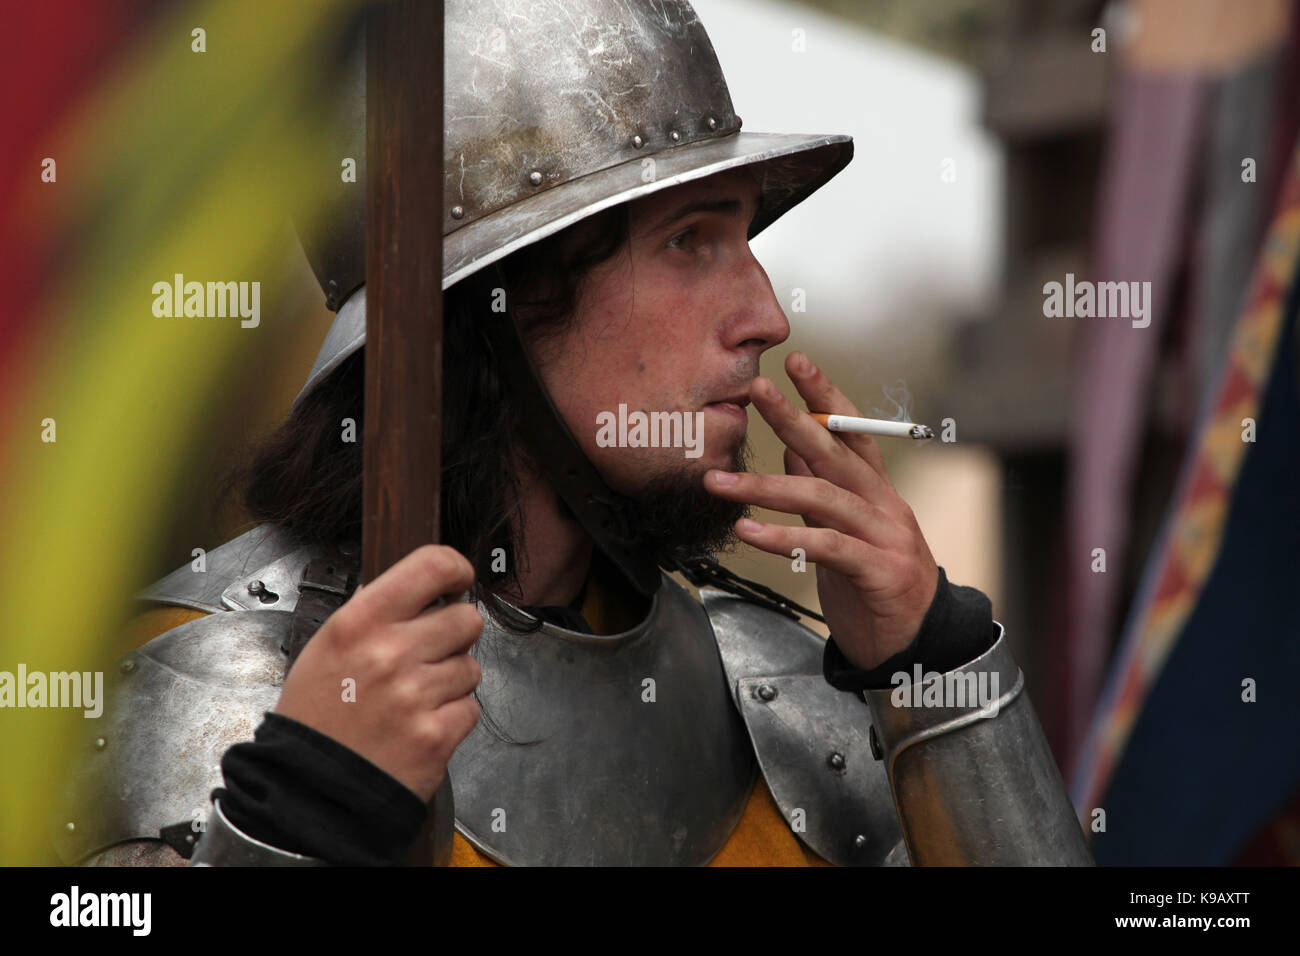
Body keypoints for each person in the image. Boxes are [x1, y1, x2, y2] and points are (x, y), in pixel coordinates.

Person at [55, 0, 1091, 868]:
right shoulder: (212, 694)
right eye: (691, 241)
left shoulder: (776, 698)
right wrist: (298, 817)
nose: (766, 314)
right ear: (493, 309)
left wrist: (936, 670)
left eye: (742, 235)